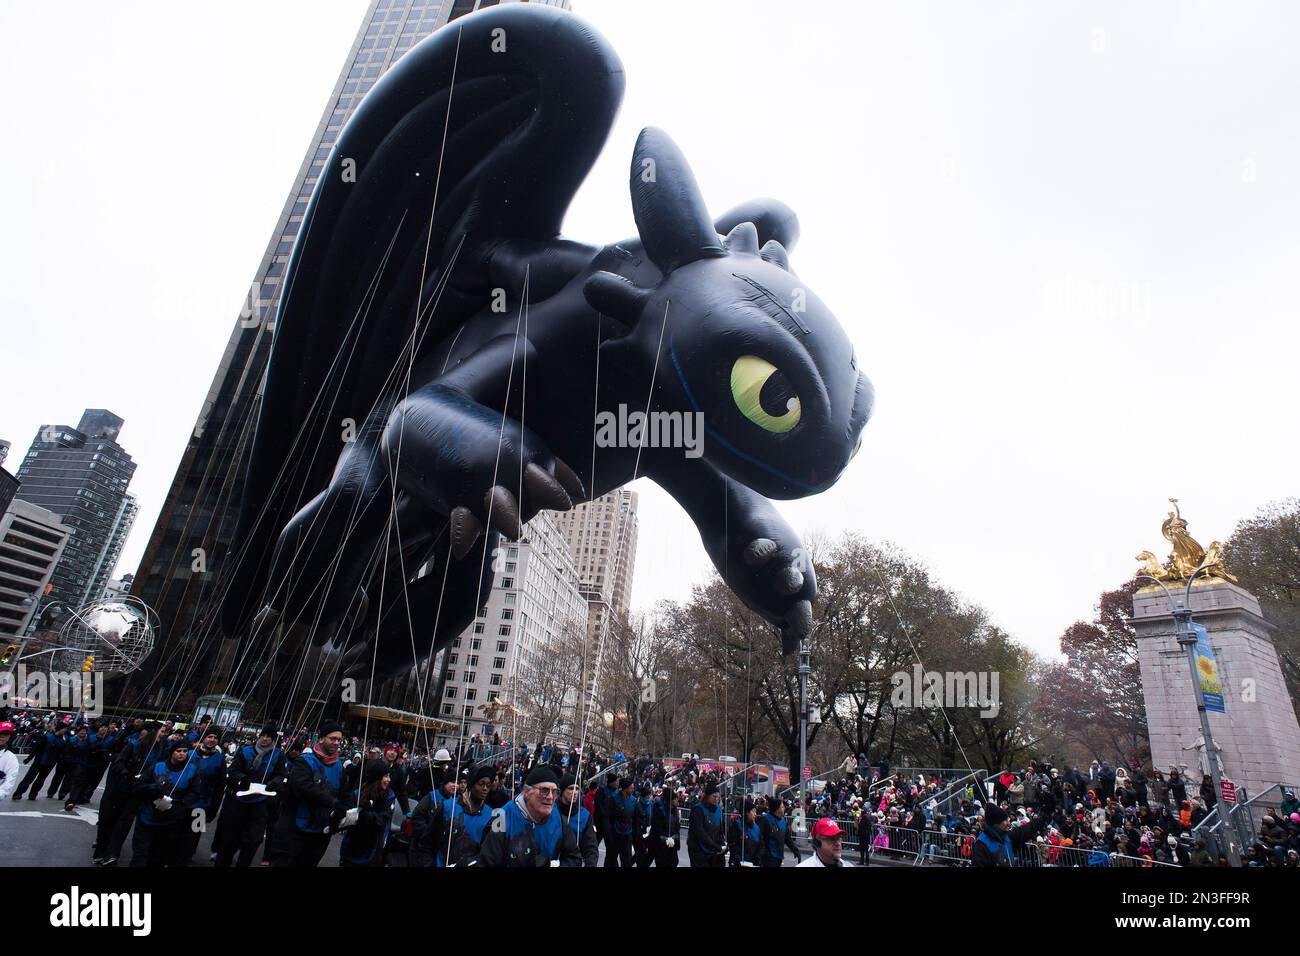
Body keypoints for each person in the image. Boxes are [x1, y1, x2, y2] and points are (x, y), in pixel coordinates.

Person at [273, 721, 353, 867]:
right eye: (332, 738)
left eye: (339, 740)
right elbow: (304, 787)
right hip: (294, 829)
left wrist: (344, 810)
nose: (336, 743)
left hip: (319, 833)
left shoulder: (339, 767)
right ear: (321, 738)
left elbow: (345, 793)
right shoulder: (304, 761)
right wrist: (333, 803)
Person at [476, 765, 582, 867]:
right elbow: (487, 862)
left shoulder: (558, 818)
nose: (550, 797)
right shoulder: (500, 818)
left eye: (555, 792)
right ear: (526, 792)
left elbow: (574, 858)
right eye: (544, 790)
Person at [93, 721, 165, 866]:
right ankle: (100, 851)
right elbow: (119, 763)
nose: (164, 734)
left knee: (124, 824)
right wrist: (127, 774)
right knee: (109, 820)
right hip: (119, 789)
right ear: (153, 732)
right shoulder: (133, 746)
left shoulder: (159, 751)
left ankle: (112, 853)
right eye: (161, 731)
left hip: (137, 793)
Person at [213, 726, 284, 868]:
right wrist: (242, 778)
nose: (264, 739)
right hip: (240, 800)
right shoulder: (245, 751)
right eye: (263, 735)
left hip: (261, 803)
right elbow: (233, 770)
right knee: (230, 839)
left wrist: (274, 783)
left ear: (273, 739)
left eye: (268, 736)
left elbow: (281, 774)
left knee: (252, 841)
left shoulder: (278, 755)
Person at [130, 740, 199, 867]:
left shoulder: (192, 770)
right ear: (171, 752)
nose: (182, 754)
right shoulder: (157, 767)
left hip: (172, 820)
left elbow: (195, 792)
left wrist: (179, 806)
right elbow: (137, 787)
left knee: (159, 856)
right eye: (178, 751)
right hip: (148, 816)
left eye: (185, 751)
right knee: (140, 854)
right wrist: (151, 788)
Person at [430, 765, 494, 867]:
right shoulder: (448, 806)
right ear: (471, 784)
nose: (485, 788)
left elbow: (488, 853)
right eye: (481, 784)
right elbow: (429, 840)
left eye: (488, 785)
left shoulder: (491, 815)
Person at [180, 729, 227, 864]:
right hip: (183, 802)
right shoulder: (189, 754)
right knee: (177, 832)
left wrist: (213, 808)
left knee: (194, 835)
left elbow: (220, 786)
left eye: (215, 738)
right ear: (203, 738)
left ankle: (186, 857)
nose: (212, 740)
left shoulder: (220, 759)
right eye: (209, 736)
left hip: (203, 804)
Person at [339, 762, 395, 867]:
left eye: (389, 776)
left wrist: (366, 815)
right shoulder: (358, 793)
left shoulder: (389, 797)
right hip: (351, 846)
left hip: (372, 849)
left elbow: (383, 819)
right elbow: (345, 815)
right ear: (377, 777)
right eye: (386, 776)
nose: (389, 780)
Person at [970, 804, 1044, 867]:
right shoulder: (981, 846)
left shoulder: (1007, 836)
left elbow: (1025, 830)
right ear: (996, 824)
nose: (1009, 823)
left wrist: (1041, 819)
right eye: (1005, 820)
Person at [13, 722, 66, 800]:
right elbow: (36, 748)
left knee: (40, 780)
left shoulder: (63, 740)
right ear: (60, 729)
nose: (65, 730)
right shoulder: (47, 737)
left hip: (50, 764)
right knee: (29, 778)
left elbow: (61, 753)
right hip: (39, 761)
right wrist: (29, 758)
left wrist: (60, 762)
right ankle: (18, 793)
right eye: (64, 728)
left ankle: (33, 794)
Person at [558, 773, 599, 867]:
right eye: (571, 788)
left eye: (577, 789)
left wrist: (590, 864)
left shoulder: (584, 815)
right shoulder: (551, 810)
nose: (575, 792)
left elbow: (591, 846)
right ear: (562, 791)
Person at [688, 782, 727, 867]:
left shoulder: (718, 809)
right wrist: (714, 845)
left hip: (713, 850)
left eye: (718, 797)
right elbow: (699, 832)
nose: (716, 799)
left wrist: (722, 843)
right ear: (707, 796)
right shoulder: (698, 809)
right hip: (699, 850)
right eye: (714, 796)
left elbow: (720, 829)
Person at [760, 798, 801, 867]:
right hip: (768, 858)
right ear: (777, 809)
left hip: (779, 857)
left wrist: (795, 851)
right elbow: (760, 839)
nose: (784, 808)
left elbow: (787, 838)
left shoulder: (783, 820)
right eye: (782, 807)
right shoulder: (765, 820)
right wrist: (763, 854)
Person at [604, 777, 635, 867]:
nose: (633, 789)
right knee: (611, 859)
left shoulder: (633, 800)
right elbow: (607, 817)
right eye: (631, 788)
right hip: (615, 835)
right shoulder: (613, 799)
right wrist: (609, 833)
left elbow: (634, 818)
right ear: (625, 789)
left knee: (626, 860)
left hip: (627, 835)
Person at [650, 785, 680, 867]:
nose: (678, 800)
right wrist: (665, 839)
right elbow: (657, 829)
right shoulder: (660, 809)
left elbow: (676, 828)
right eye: (676, 798)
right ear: (671, 800)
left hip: (672, 844)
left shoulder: (674, 810)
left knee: (674, 862)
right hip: (661, 845)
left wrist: (674, 838)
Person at [728, 798, 764, 867]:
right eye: (753, 811)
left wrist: (758, 857)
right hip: (739, 862)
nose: (755, 814)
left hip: (752, 862)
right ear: (747, 813)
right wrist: (737, 858)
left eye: (755, 812)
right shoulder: (737, 825)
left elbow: (761, 844)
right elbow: (732, 844)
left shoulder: (757, 827)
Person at [0, 722, 19, 802]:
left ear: (9, 738)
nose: (2, 737)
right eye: (0, 733)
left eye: (6, 734)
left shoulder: (11, 758)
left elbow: (10, 780)